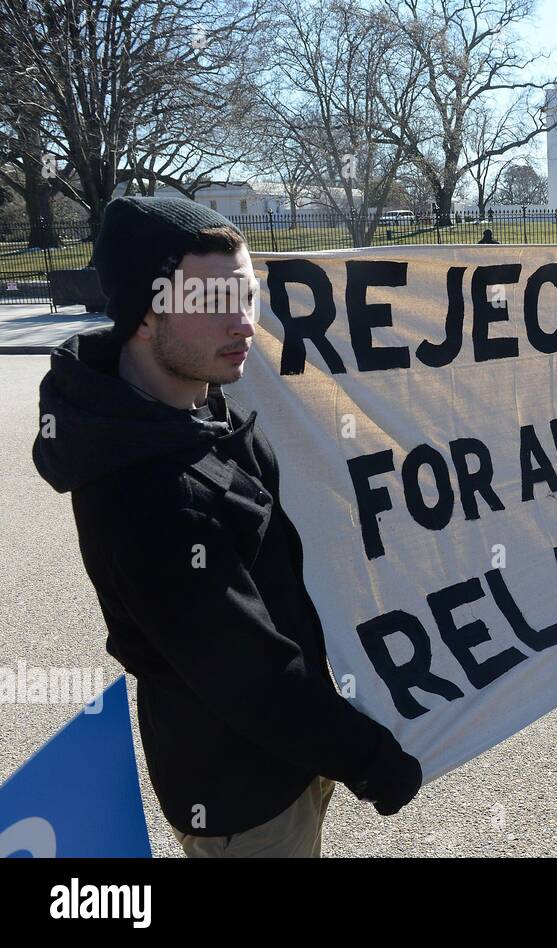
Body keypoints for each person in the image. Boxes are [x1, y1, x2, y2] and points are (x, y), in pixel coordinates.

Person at [31, 197, 423, 856]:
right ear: (147, 308)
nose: (245, 322)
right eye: (216, 299)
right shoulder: (147, 493)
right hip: (242, 798)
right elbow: (249, 678)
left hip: (295, 752)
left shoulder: (204, 407)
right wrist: (371, 761)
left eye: (248, 295)